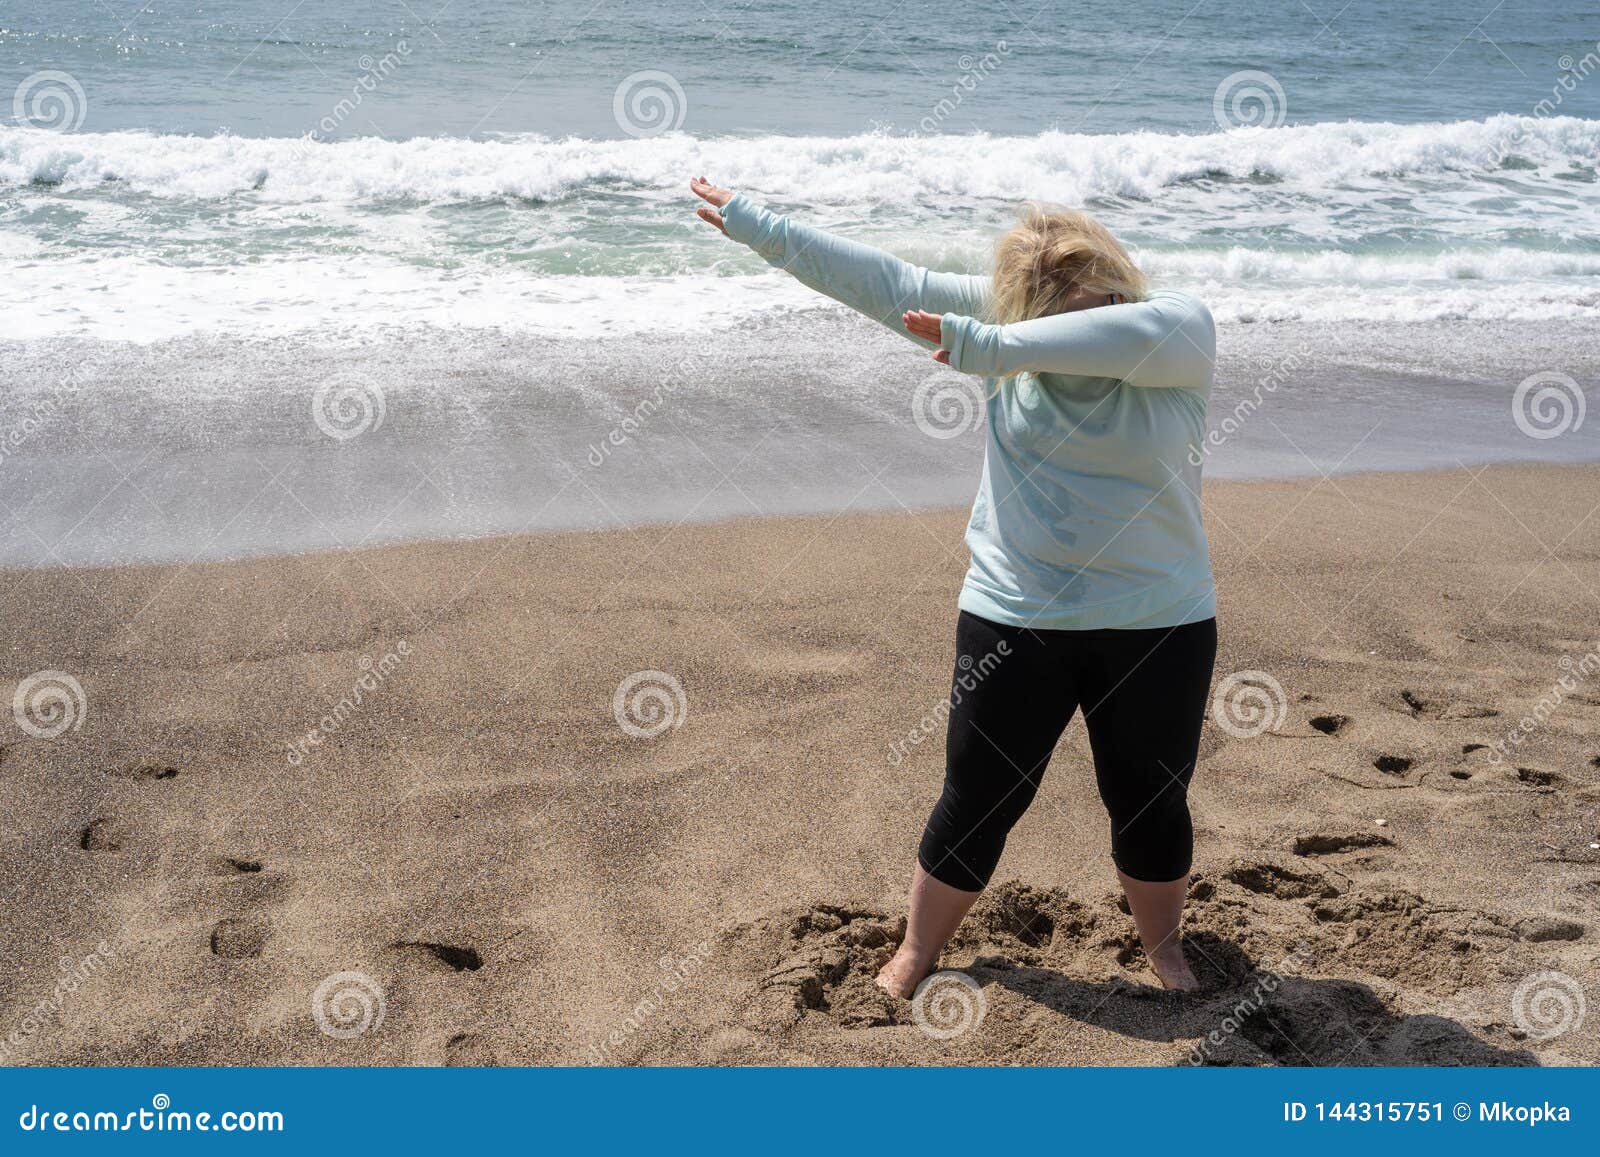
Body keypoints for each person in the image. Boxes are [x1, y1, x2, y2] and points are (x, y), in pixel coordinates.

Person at [690, 176, 1218, 992]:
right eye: (1051, 312)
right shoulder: (1005, 319)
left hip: (1158, 619)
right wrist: (767, 231)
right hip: (1016, 612)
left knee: (1149, 802)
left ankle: (1164, 948)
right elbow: (890, 284)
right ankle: (915, 950)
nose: (1074, 324)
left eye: (1089, 305)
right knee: (978, 796)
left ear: (1118, 285)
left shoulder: (1178, 328)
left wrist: (996, 346)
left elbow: (1099, 337)